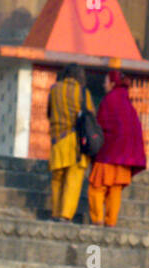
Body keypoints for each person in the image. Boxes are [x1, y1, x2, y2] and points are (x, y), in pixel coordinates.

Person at [88, 68, 146, 228]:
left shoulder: (109, 100)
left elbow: (100, 127)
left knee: (96, 188)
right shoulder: (127, 103)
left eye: (106, 81)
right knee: (115, 190)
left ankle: (98, 219)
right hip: (124, 157)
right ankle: (111, 222)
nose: (103, 84)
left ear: (113, 83)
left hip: (108, 154)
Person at [47, 64, 93, 222]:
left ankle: (55, 212)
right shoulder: (83, 93)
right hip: (76, 144)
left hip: (57, 141)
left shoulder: (54, 90)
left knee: (57, 179)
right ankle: (65, 215)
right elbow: (90, 117)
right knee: (73, 179)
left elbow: (49, 113)